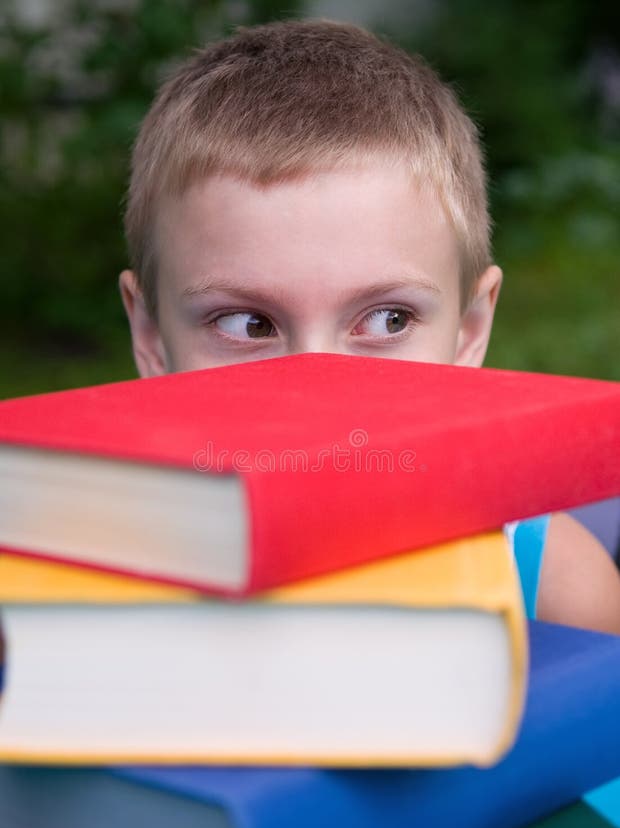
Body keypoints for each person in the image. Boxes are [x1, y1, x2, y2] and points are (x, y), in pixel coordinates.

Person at [119, 18, 620, 633]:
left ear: (468, 331)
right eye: (249, 325)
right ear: (151, 337)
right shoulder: (82, 577)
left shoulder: (554, 584)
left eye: (386, 319)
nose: (315, 392)